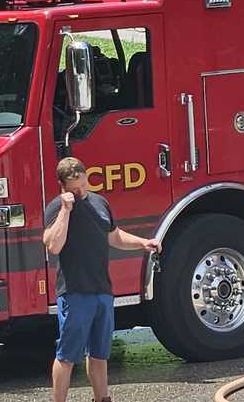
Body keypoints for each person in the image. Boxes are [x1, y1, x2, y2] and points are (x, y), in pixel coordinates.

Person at [43, 157, 161, 402]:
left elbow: (114, 236)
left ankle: (102, 398)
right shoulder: (56, 207)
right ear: (62, 186)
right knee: (67, 355)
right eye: (75, 188)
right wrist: (66, 210)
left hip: (102, 290)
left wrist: (143, 243)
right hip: (75, 291)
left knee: (99, 353)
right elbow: (53, 245)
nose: (80, 191)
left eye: (83, 185)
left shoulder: (99, 202)